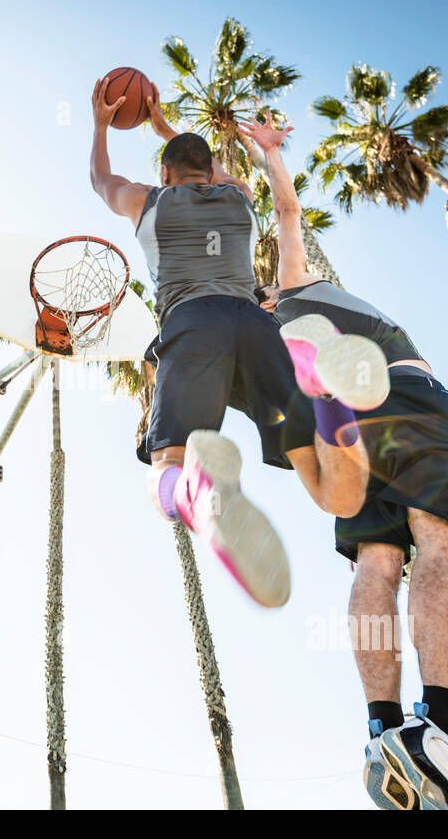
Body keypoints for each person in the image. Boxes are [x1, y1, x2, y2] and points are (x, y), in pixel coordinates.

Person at [237, 112, 448, 810]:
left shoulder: (266, 351)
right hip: (399, 387)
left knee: (376, 562)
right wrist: (270, 153)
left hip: (335, 426)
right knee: (439, 539)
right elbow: (287, 211)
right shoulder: (291, 290)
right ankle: (445, 730)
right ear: (266, 296)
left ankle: (383, 733)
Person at [89, 76, 374, 610]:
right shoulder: (238, 198)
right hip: (256, 325)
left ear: (165, 173)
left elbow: (100, 179)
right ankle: (326, 393)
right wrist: (167, 129)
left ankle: (195, 495)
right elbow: (213, 171)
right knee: (336, 494)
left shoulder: (148, 202)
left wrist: (102, 124)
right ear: (209, 170)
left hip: (194, 324)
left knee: (166, 462)